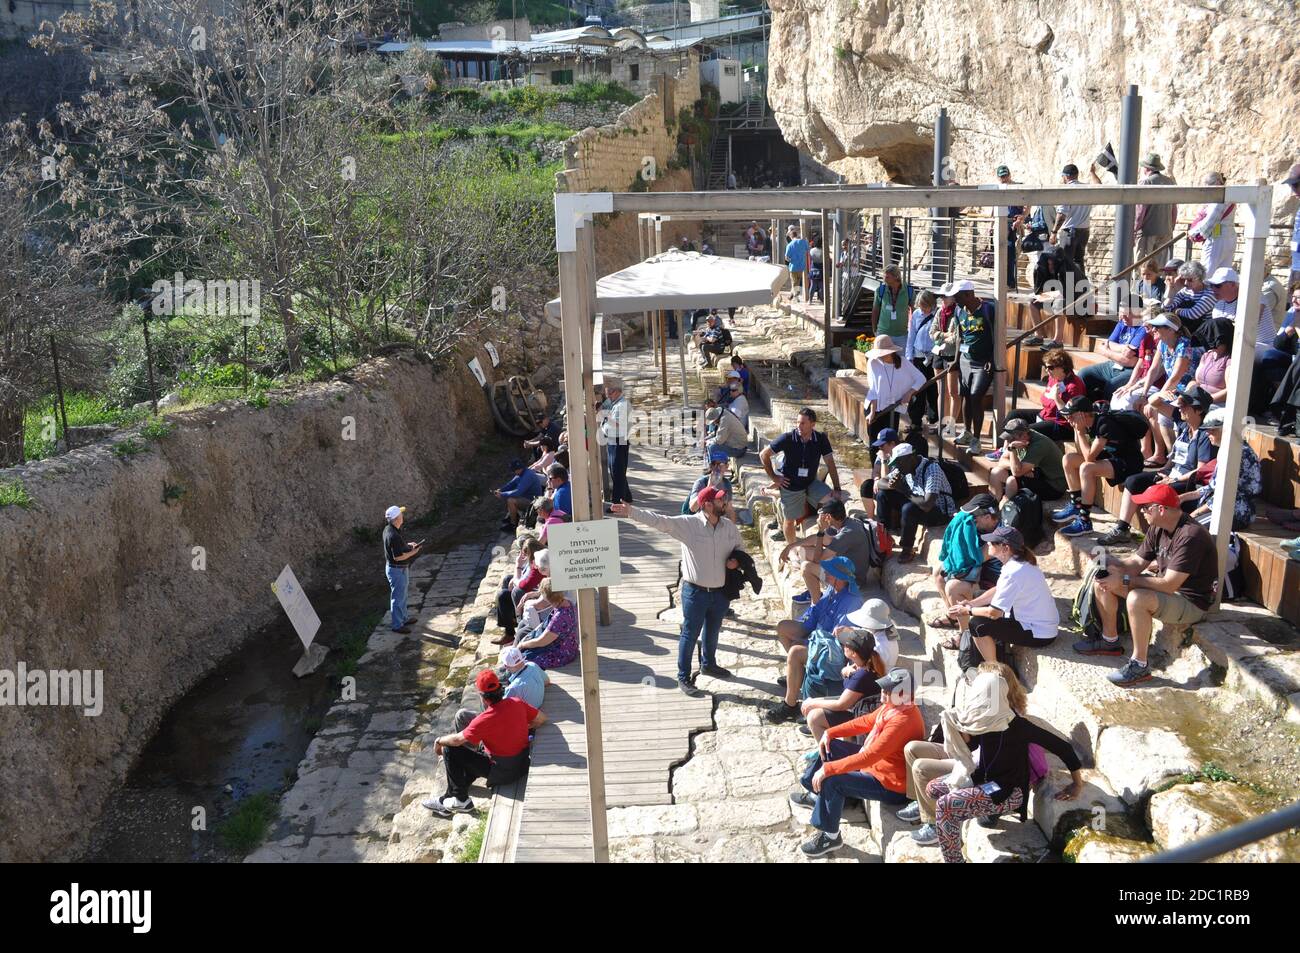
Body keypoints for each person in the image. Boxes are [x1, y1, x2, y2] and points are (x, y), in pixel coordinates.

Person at [921, 664, 1084, 859]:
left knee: (946, 805)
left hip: (1008, 791)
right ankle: (973, 817)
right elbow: (972, 748)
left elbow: (1063, 748)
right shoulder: (982, 719)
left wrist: (1077, 784)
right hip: (984, 780)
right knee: (933, 788)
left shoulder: (1018, 726)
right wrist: (959, 727)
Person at [1072, 483, 1220, 686]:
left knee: (1137, 599)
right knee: (1104, 582)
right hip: (1169, 592)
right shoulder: (1158, 527)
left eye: (1145, 507)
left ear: (1161, 509)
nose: (1141, 511)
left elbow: (1169, 584)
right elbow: (1135, 564)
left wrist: (1123, 580)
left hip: (1192, 602)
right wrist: (1109, 562)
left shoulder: (1190, 535)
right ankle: (1109, 641)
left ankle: (1139, 665)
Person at [612, 489, 742, 697]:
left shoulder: (729, 527)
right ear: (707, 505)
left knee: (713, 630)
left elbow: (740, 550)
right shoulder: (688, 525)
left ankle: (709, 664)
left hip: (720, 593)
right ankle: (683, 676)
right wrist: (632, 512)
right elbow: (660, 521)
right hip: (695, 593)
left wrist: (736, 561)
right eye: (720, 500)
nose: (725, 502)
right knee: (690, 634)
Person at [790, 667, 924, 858]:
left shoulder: (902, 721)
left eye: (888, 690)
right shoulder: (894, 706)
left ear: (902, 694)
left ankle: (830, 836)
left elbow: (869, 756)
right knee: (831, 746)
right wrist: (831, 733)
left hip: (889, 785)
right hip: (877, 768)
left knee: (833, 780)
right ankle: (816, 794)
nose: (882, 692)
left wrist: (828, 769)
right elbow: (865, 721)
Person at [1095, 383, 1214, 548]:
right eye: (1180, 404)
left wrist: (1174, 479)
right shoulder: (1184, 423)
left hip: (1187, 481)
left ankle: (1157, 541)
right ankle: (1122, 529)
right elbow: (1154, 402)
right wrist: (1163, 393)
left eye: (1185, 405)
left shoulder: (1205, 435)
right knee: (1133, 481)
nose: (1180, 408)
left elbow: (1200, 470)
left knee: (1157, 491)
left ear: (1198, 410)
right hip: (1172, 473)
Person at [423, 669, 545, 816]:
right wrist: (517, 727)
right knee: (462, 716)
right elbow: (541, 719)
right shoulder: (516, 702)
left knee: (449, 749)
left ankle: (460, 799)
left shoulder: (485, 720)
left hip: (502, 771)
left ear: (483, 697)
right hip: (522, 763)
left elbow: (456, 740)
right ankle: (452, 791)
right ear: (501, 689)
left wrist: (438, 741)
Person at [767, 555, 865, 724]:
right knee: (783, 628)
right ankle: (799, 674)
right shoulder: (831, 590)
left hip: (832, 650)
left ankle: (790, 705)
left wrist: (807, 642)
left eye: (829, 572)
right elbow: (815, 613)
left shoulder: (852, 602)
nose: (825, 573)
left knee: (795, 652)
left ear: (840, 577)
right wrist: (804, 629)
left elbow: (837, 637)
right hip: (817, 637)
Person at [951, 526, 1058, 662]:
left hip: (1039, 633)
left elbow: (994, 613)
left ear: (1005, 548)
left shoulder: (1014, 571)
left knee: (977, 625)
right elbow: (999, 589)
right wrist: (972, 603)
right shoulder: (1019, 562)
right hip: (1037, 623)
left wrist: (967, 611)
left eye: (993, 542)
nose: (988, 543)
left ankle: (993, 666)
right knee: (978, 595)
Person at [1052, 397, 1147, 537]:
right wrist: (1077, 430)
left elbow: (1089, 458)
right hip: (1112, 457)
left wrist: (1080, 432)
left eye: (1071, 415)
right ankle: (1076, 505)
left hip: (1128, 464)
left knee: (1087, 468)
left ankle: (1084, 520)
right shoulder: (1090, 422)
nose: (1069, 419)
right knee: (1068, 459)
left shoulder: (1104, 423)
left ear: (1082, 414)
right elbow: (1081, 452)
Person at [761, 407, 843, 545]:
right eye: (797, 422)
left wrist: (837, 488)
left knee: (833, 502)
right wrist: (774, 477)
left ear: (812, 424)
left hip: (810, 482)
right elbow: (764, 454)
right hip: (791, 486)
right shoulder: (788, 438)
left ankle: (832, 537)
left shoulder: (820, 439)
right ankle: (792, 548)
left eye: (803, 423)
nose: (799, 426)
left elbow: (830, 463)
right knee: (789, 520)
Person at [779, 498, 875, 605]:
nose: (820, 518)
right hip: (844, 567)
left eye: (823, 516)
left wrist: (821, 530)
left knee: (806, 567)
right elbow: (817, 539)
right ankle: (813, 590)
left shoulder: (847, 533)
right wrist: (790, 546)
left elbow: (818, 559)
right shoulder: (843, 523)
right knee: (804, 550)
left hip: (852, 582)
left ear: (829, 517)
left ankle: (816, 604)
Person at [928, 493, 1002, 629]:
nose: (970, 518)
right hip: (979, 573)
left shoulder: (1000, 534)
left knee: (953, 587)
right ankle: (954, 617)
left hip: (994, 584)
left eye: (974, 516)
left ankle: (965, 633)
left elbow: (977, 558)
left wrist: (964, 531)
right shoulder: (980, 525)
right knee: (938, 572)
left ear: (987, 517)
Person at [800, 631, 886, 746]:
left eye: (846, 645)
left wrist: (812, 703)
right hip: (856, 710)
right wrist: (844, 671)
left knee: (814, 717)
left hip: (860, 720)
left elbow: (841, 705)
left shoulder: (862, 675)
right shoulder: (863, 664)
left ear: (854, 653)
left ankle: (829, 753)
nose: (843, 646)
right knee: (816, 705)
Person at [873, 444, 956, 563]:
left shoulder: (932, 470)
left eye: (899, 463)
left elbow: (927, 505)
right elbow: (882, 482)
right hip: (917, 501)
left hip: (940, 512)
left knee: (909, 508)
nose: (897, 467)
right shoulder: (904, 467)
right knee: (882, 495)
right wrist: (892, 485)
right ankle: (884, 537)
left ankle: (907, 549)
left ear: (911, 457)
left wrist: (902, 489)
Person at [1141, 312, 1200, 467]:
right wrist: (1144, 394)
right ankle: (1166, 456)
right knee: (1152, 407)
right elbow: (1154, 370)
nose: (1153, 329)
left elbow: (1176, 376)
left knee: (1159, 412)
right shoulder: (1162, 344)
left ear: (1171, 330)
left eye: (1158, 326)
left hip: (1188, 390)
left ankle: (1172, 460)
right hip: (1173, 390)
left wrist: (1157, 397)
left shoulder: (1184, 345)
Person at [1188, 409, 1260, 531]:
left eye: (1212, 429)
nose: (1207, 433)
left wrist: (1196, 513)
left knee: (1190, 529)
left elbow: (1225, 494)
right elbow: (1213, 487)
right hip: (1221, 506)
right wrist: (1183, 497)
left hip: (1235, 512)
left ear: (1226, 430)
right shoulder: (1227, 449)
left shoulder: (1238, 453)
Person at [1002, 347, 1085, 442]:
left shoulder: (1074, 386)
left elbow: (1070, 416)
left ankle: (1010, 449)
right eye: (1046, 367)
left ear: (1062, 367)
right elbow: (1046, 400)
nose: (1047, 370)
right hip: (1045, 415)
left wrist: (1056, 398)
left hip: (1062, 425)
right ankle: (1004, 446)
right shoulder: (1054, 378)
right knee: (1013, 414)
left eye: (1050, 367)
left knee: (1024, 432)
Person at [953, 280, 996, 452]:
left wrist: (992, 359)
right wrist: (956, 360)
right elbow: (960, 336)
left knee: (975, 396)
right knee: (965, 395)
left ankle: (976, 440)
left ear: (968, 294)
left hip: (983, 362)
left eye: (958, 297)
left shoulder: (988, 309)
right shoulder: (959, 311)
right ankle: (967, 431)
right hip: (965, 359)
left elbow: (997, 336)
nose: (955, 300)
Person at [863, 333, 926, 444]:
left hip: (893, 407)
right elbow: (873, 389)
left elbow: (921, 378)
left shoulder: (903, 362)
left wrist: (909, 393)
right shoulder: (873, 362)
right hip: (875, 408)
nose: (880, 356)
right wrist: (872, 412)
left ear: (891, 352)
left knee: (891, 443)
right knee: (875, 443)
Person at [1080, 299, 1148, 401]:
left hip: (1131, 370)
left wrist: (1106, 352)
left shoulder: (1144, 329)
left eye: (1126, 314)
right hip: (1114, 364)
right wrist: (1123, 348)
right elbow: (1109, 343)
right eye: (1121, 313)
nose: (1123, 317)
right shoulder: (1123, 322)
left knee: (1111, 386)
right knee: (1084, 374)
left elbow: (1130, 362)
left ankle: (1105, 409)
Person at [988, 417, 1068, 502]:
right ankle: (992, 504)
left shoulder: (1039, 444)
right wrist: (1023, 470)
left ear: (1024, 435)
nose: (1009, 442)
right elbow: (1002, 461)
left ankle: (1007, 507)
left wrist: (1013, 450)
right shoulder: (1020, 440)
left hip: (1053, 486)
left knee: (1012, 480)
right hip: (1037, 475)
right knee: (996, 472)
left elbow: (1017, 473)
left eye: (1011, 439)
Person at [515, 580, 578, 670]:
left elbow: (541, 641)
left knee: (522, 660)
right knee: (524, 637)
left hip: (562, 653)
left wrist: (522, 645)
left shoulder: (559, 617)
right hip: (569, 645)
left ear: (547, 598)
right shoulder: (567, 603)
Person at [493, 534, 542, 646]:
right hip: (532, 589)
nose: (521, 554)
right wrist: (515, 578)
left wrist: (518, 566)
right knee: (507, 579)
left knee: (503, 595)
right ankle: (509, 629)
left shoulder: (536, 565)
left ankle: (513, 625)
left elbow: (522, 585)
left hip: (534, 594)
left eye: (522, 551)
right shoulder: (534, 559)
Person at [382, 504, 422, 634]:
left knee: (402, 596)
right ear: (397, 519)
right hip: (397, 570)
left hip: (398, 569)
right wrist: (413, 552)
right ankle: (397, 625)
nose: (403, 516)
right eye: (401, 514)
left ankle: (403, 618)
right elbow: (398, 557)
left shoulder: (390, 529)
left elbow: (397, 547)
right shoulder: (393, 535)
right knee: (398, 598)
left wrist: (408, 546)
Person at [1133, 153, 1177, 267]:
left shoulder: (1146, 183)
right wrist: (1171, 227)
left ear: (1147, 168)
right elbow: (1174, 208)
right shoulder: (1170, 182)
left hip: (1147, 231)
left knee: (1143, 266)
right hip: (1165, 231)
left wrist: (1134, 230)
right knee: (1159, 267)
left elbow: (1140, 211)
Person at [904, 288, 940, 427]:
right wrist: (909, 356)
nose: (923, 310)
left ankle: (933, 420)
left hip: (933, 356)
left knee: (932, 389)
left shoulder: (937, 314)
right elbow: (911, 334)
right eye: (920, 306)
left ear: (931, 304)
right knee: (917, 389)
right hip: (918, 355)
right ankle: (915, 421)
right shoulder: (916, 314)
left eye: (925, 306)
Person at [1189, 172, 1236, 277]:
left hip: (1217, 239)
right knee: (1222, 275)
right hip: (1228, 237)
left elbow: (1210, 221)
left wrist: (1193, 233)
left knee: (1207, 274)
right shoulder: (1228, 196)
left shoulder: (1219, 199)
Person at [1051, 163, 1092, 278]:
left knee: (1066, 262)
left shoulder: (1067, 190)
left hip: (1070, 231)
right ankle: (1081, 286)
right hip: (1084, 231)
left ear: (1066, 176)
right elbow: (1099, 185)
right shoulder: (1088, 188)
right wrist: (1093, 173)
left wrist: (1054, 232)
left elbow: (1061, 215)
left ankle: (1068, 288)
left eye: (1063, 176)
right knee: (1079, 261)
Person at [599, 376, 633, 509]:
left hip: (619, 440)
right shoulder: (615, 403)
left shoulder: (622, 405)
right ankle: (626, 496)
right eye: (607, 393)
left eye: (610, 393)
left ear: (618, 391)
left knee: (617, 472)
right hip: (614, 440)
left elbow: (618, 423)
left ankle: (617, 504)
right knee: (617, 470)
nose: (608, 396)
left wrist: (605, 416)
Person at [1163, 260, 1216, 336]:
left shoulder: (1209, 293)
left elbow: (1193, 314)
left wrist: (1176, 311)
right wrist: (1172, 288)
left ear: (1199, 278)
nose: (1185, 283)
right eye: (1183, 279)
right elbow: (1166, 309)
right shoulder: (1185, 291)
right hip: (1184, 330)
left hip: (1201, 332)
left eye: (1190, 280)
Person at [495, 458, 545, 532]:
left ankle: (513, 525)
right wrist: (501, 490)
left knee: (511, 500)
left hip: (534, 503)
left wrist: (502, 494)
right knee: (509, 495)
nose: (513, 472)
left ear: (518, 469)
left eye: (514, 470)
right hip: (527, 498)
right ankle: (513, 516)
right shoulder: (522, 473)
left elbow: (518, 492)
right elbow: (511, 484)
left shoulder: (527, 476)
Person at [995, 164, 1023, 288]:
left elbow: (1027, 204)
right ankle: (1002, 281)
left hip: (1012, 224)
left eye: (1006, 176)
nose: (1004, 179)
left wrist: (1021, 217)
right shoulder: (998, 189)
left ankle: (1010, 283)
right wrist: (991, 225)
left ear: (1010, 175)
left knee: (1010, 253)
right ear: (998, 177)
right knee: (1000, 253)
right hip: (1000, 222)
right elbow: (994, 207)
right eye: (1002, 177)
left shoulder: (1017, 187)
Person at [871, 264, 913, 340]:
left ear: (896, 277)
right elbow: (875, 310)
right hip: (883, 333)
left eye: (887, 277)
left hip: (901, 335)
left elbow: (915, 311)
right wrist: (874, 329)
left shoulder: (908, 290)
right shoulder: (880, 290)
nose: (884, 279)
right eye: (884, 276)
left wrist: (913, 330)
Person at [500, 645, 548, 709]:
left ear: (506, 666)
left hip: (527, 712)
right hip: (539, 703)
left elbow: (503, 707)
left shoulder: (513, 688)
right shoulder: (533, 665)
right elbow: (547, 681)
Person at [785, 225, 809, 300]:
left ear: (791, 236)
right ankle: (792, 295)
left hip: (793, 266)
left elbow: (786, 257)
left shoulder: (789, 245)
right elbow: (807, 250)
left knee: (794, 282)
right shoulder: (803, 242)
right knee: (797, 282)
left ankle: (795, 295)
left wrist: (790, 260)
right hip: (801, 265)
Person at [808, 237, 824, 302]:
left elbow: (810, 258)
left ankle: (810, 300)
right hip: (821, 268)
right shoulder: (823, 250)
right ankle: (822, 300)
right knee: (821, 286)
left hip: (813, 268)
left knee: (813, 285)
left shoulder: (811, 250)